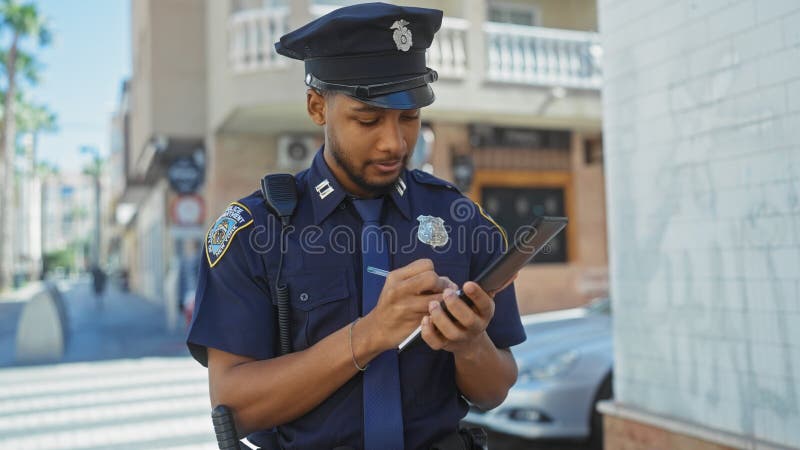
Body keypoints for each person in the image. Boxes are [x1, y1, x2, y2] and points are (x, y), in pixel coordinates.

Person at [187, 3, 526, 449]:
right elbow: (234, 406)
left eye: (410, 117)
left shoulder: (461, 221)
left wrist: (469, 344)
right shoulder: (254, 233)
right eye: (367, 119)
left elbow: (495, 390)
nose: (395, 142)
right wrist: (369, 335)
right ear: (316, 107)